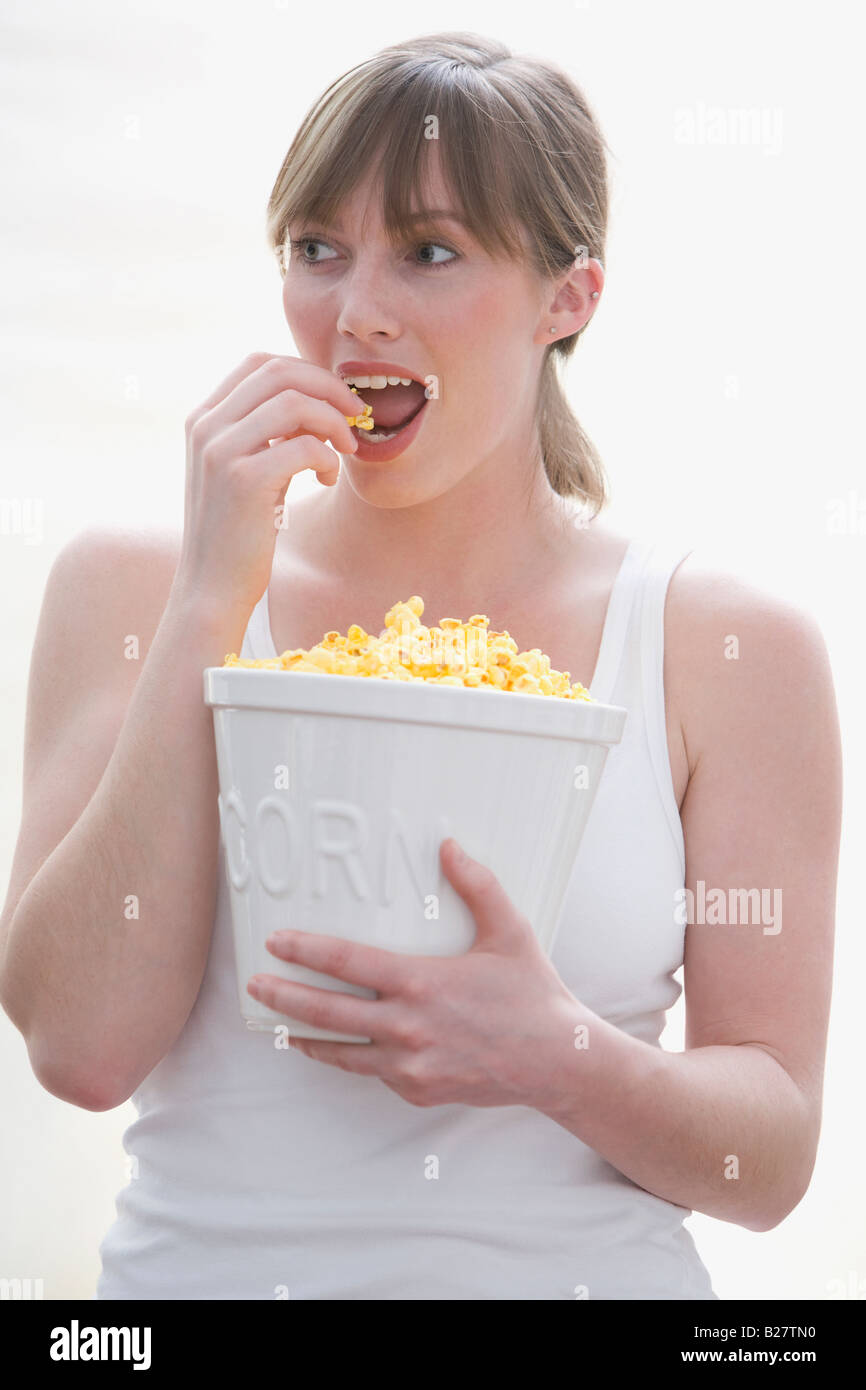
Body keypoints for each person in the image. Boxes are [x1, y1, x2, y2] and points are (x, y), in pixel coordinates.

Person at [0, 32, 841, 1300]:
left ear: (569, 297)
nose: (354, 313)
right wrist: (211, 599)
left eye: (429, 252)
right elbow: (78, 1048)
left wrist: (554, 1050)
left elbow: (766, 1158)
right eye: (315, 249)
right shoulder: (133, 588)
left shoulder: (725, 647)